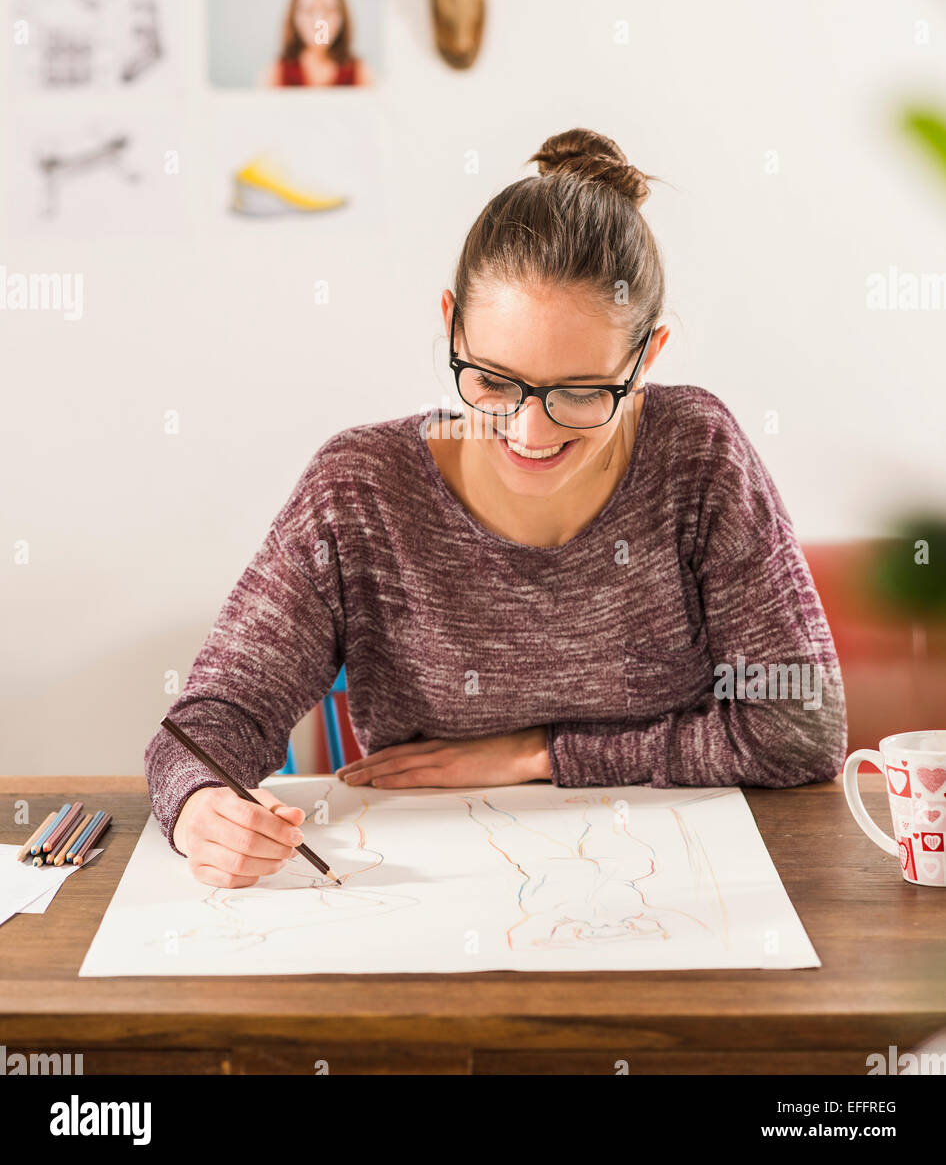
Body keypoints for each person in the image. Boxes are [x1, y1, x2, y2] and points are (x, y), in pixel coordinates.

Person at [145, 127, 847, 889]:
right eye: (492, 380)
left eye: (581, 391)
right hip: (434, 902)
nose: (528, 429)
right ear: (452, 324)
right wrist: (202, 808)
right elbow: (208, 725)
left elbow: (800, 726)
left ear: (648, 357)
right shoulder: (360, 492)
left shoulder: (698, 458)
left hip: (682, 895)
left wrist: (538, 754)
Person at [258, 0, 374, 88]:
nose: (319, 20)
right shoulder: (274, 75)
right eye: (308, 10)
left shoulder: (362, 74)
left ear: (342, 17)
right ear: (294, 17)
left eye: (329, 9)